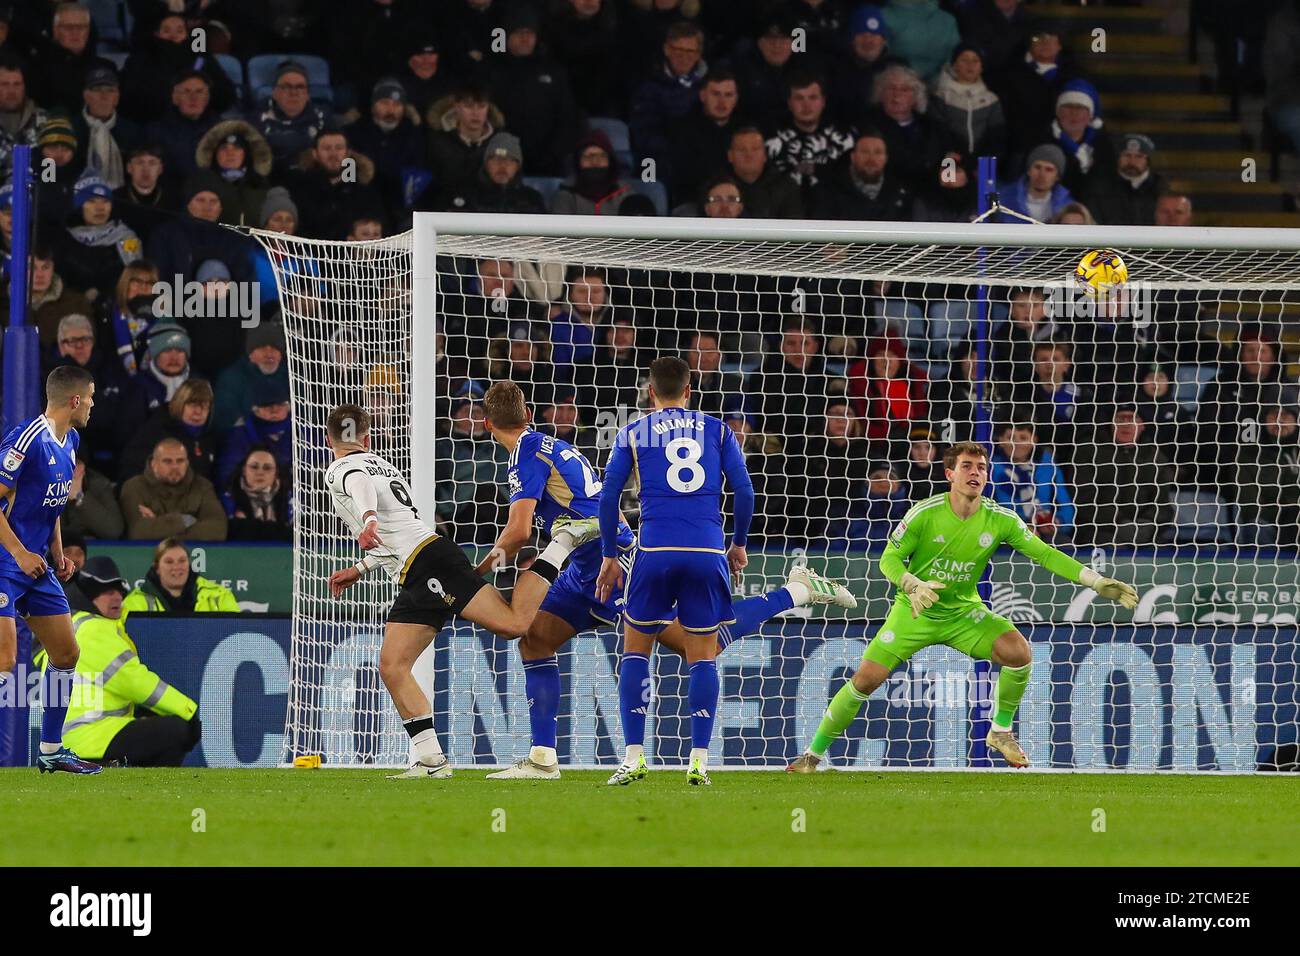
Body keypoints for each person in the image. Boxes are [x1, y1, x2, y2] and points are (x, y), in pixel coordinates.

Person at [478, 380, 854, 781]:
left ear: (486, 424)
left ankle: (795, 590)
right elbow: (604, 502)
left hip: (614, 568)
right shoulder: (551, 445)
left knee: (701, 646)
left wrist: (478, 572)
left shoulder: (526, 452)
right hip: (584, 568)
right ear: (530, 415)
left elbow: (519, 532)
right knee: (535, 639)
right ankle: (542, 759)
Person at [788, 441, 1139, 773]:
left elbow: (1044, 554)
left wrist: (1095, 581)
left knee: (1018, 652)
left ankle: (1000, 731)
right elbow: (889, 560)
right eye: (967, 466)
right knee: (865, 681)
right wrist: (912, 583)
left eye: (982, 467)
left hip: (961, 612)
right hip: (915, 611)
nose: (976, 472)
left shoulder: (1001, 518)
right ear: (949, 474)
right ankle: (812, 756)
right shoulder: (924, 513)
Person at [322, 403, 601, 779]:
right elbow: (402, 529)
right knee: (393, 664)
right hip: (419, 565)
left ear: (329, 439)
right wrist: (361, 567)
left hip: (429, 565)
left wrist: (367, 520)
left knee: (514, 625)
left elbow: (360, 486)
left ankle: (562, 543)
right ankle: (431, 760)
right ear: (367, 438)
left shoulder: (342, 468)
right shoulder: (383, 465)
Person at [594, 357, 754, 786]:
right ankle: (699, 760)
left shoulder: (632, 432)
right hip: (705, 550)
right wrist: (737, 544)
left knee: (635, 650)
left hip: (655, 549)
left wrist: (609, 555)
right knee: (702, 655)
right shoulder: (719, 430)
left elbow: (608, 498)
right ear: (689, 390)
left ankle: (633, 757)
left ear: (650, 392)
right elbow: (743, 489)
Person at [0, 366, 103, 773]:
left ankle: (51, 750)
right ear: (74, 400)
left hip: (37, 566)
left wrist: (57, 552)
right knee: (5, 660)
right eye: (91, 397)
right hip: (7, 563)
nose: (94, 404)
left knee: (66, 652)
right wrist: (22, 553)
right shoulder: (25, 441)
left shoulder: (71, 440)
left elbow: (51, 504)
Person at [47, 556, 201, 766]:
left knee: (158, 726)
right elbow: (134, 681)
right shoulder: (95, 629)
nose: (117, 597)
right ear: (91, 596)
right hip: (90, 738)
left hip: (80, 737)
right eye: (109, 592)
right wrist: (189, 711)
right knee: (177, 729)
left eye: (120, 591)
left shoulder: (79, 623)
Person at [119, 437, 228, 541]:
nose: (175, 466)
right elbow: (139, 532)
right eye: (167, 461)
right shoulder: (134, 487)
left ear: (187, 463)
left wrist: (159, 526)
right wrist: (186, 520)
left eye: (180, 461)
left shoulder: (203, 486)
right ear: (154, 464)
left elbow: (218, 530)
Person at [989, 421, 1076, 544]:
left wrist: (1055, 523)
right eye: (1011, 437)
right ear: (1000, 440)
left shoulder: (1047, 465)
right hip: (1006, 532)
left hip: (1046, 534)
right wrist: (1022, 527)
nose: (1016, 443)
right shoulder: (991, 468)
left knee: (1063, 543)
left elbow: (1066, 506)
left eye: (1023, 438)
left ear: (1034, 439)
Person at [121, 538, 239, 615]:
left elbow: (234, 639)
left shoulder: (220, 596)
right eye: (169, 561)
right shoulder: (135, 602)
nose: (176, 567)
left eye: (182, 560)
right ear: (156, 568)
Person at [725, 126, 804, 219]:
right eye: (741, 149)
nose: (749, 155)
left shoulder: (786, 186)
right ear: (730, 155)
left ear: (765, 155)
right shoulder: (718, 187)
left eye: (755, 149)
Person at [1088, 134, 1164, 226]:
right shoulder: (1101, 187)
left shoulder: (1160, 187)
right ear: (1118, 158)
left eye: (1139, 156)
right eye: (1127, 155)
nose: (1132, 162)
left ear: (1147, 160)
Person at [222, 446, 293, 542]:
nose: (260, 472)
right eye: (254, 467)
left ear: (276, 472)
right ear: (244, 470)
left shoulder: (291, 500)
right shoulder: (227, 500)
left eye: (267, 468)